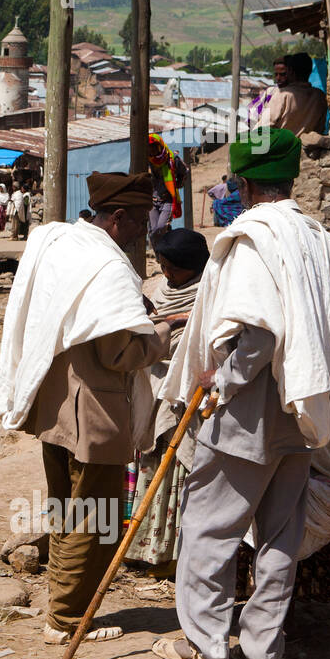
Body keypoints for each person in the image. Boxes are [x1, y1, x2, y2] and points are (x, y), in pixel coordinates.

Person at [155, 128, 330, 659]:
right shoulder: (319, 239)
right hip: (302, 409)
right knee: (280, 534)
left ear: (243, 185)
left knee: (209, 527)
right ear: (290, 178)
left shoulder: (254, 238)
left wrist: (221, 379)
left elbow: (261, 335)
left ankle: (207, 645)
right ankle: (266, 650)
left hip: (250, 412)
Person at [0, 171, 184, 645]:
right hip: (94, 412)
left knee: (67, 511)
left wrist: (134, 314)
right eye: (139, 219)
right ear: (117, 217)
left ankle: (60, 608)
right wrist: (165, 331)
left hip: (56, 406)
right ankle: (67, 620)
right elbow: (118, 353)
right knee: (94, 517)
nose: (145, 229)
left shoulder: (65, 244)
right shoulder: (108, 266)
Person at [124, 228, 211, 569]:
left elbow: (202, 335)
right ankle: (135, 548)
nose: (167, 273)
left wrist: (166, 326)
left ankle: (167, 557)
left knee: (173, 466)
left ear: (195, 265)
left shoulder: (208, 294)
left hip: (181, 398)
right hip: (148, 391)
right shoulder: (159, 290)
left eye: (174, 267)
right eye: (162, 265)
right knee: (145, 462)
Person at [259, 52, 327, 138]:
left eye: (283, 74)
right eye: (276, 74)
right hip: (307, 145)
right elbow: (320, 129)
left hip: (282, 145)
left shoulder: (282, 95)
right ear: (310, 71)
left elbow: (262, 128)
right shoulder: (319, 96)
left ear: (290, 71)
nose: (278, 78)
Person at [147, 133, 187, 237]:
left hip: (167, 200)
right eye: (149, 148)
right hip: (152, 201)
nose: (152, 150)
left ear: (160, 146)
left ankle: (167, 239)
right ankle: (159, 248)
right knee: (153, 231)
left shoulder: (172, 159)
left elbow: (184, 171)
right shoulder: (146, 161)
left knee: (161, 227)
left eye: (154, 147)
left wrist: (178, 184)